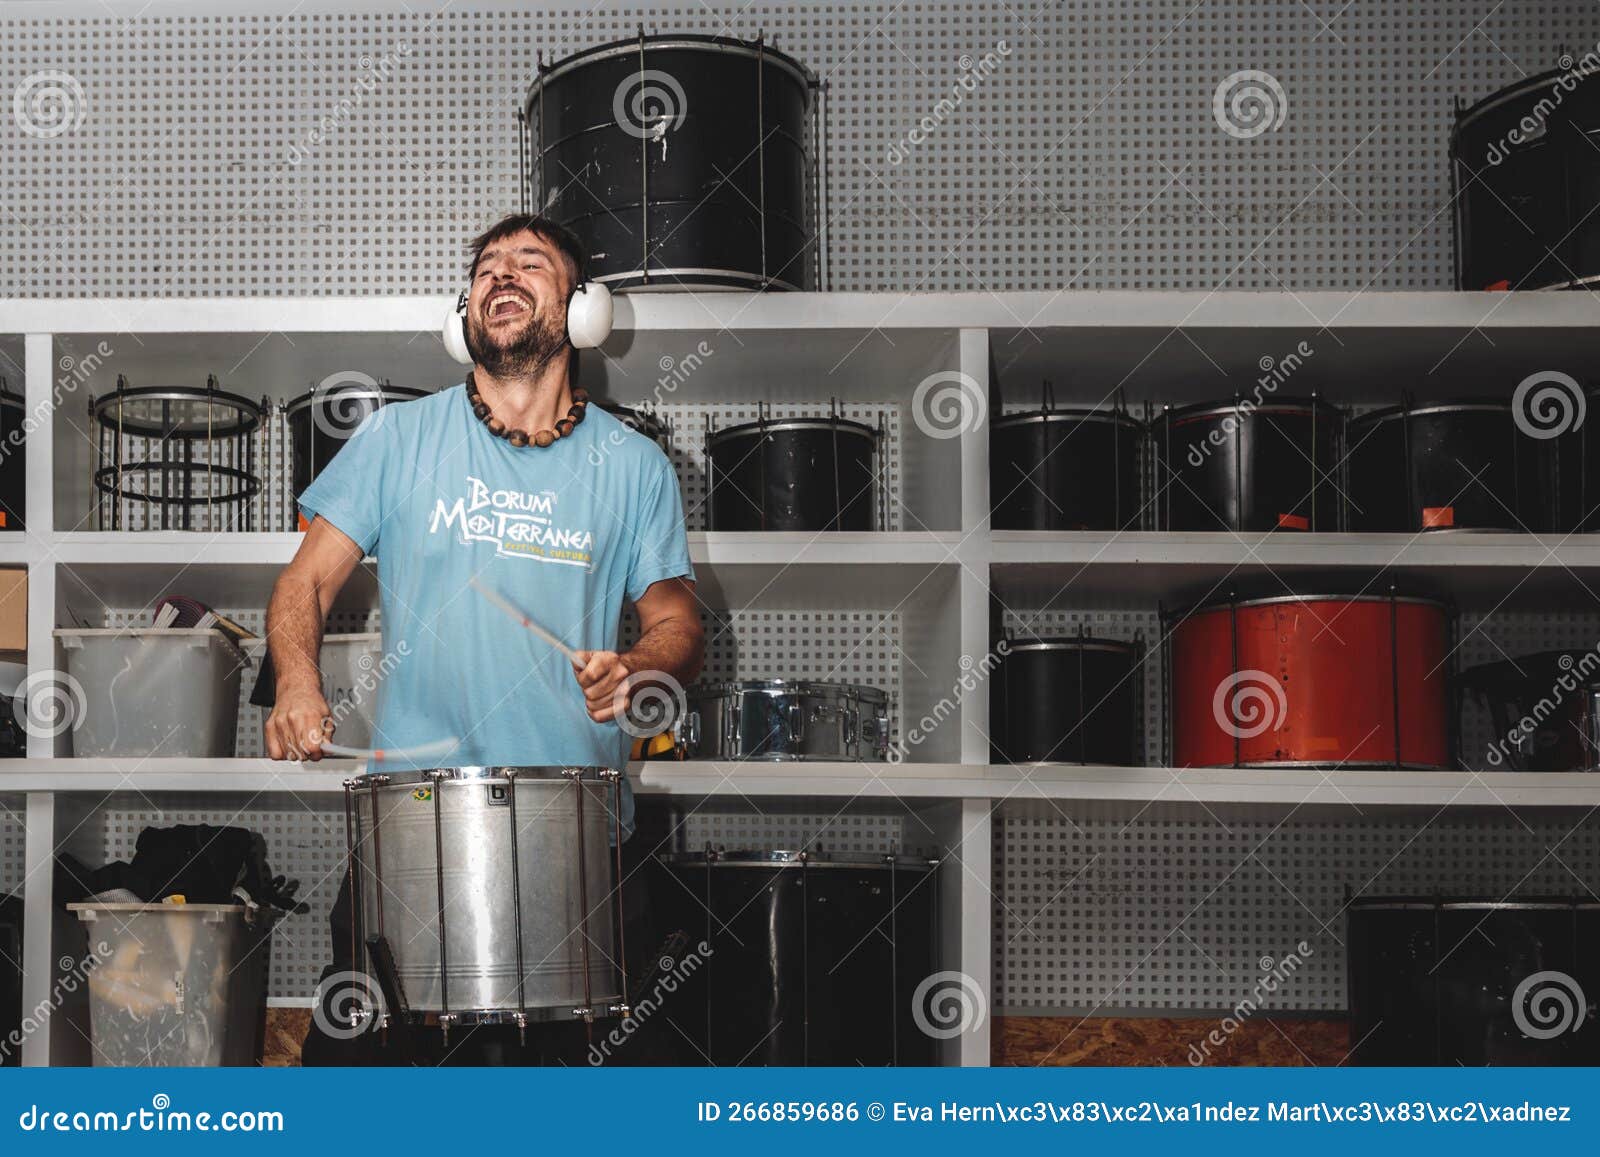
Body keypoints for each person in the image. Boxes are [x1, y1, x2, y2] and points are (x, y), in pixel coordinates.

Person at [263, 212, 703, 1064]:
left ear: (582, 309)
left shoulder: (635, 466)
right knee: (367, 1091)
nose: (500, 274)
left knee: (584, 1102)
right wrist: (296, 682)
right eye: (486, 267)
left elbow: (678, 623)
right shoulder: (396, 440)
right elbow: (303, 582)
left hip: (579, 835)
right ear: (462, 311)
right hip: (412, 828)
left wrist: (638, 666)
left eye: (529, 263)